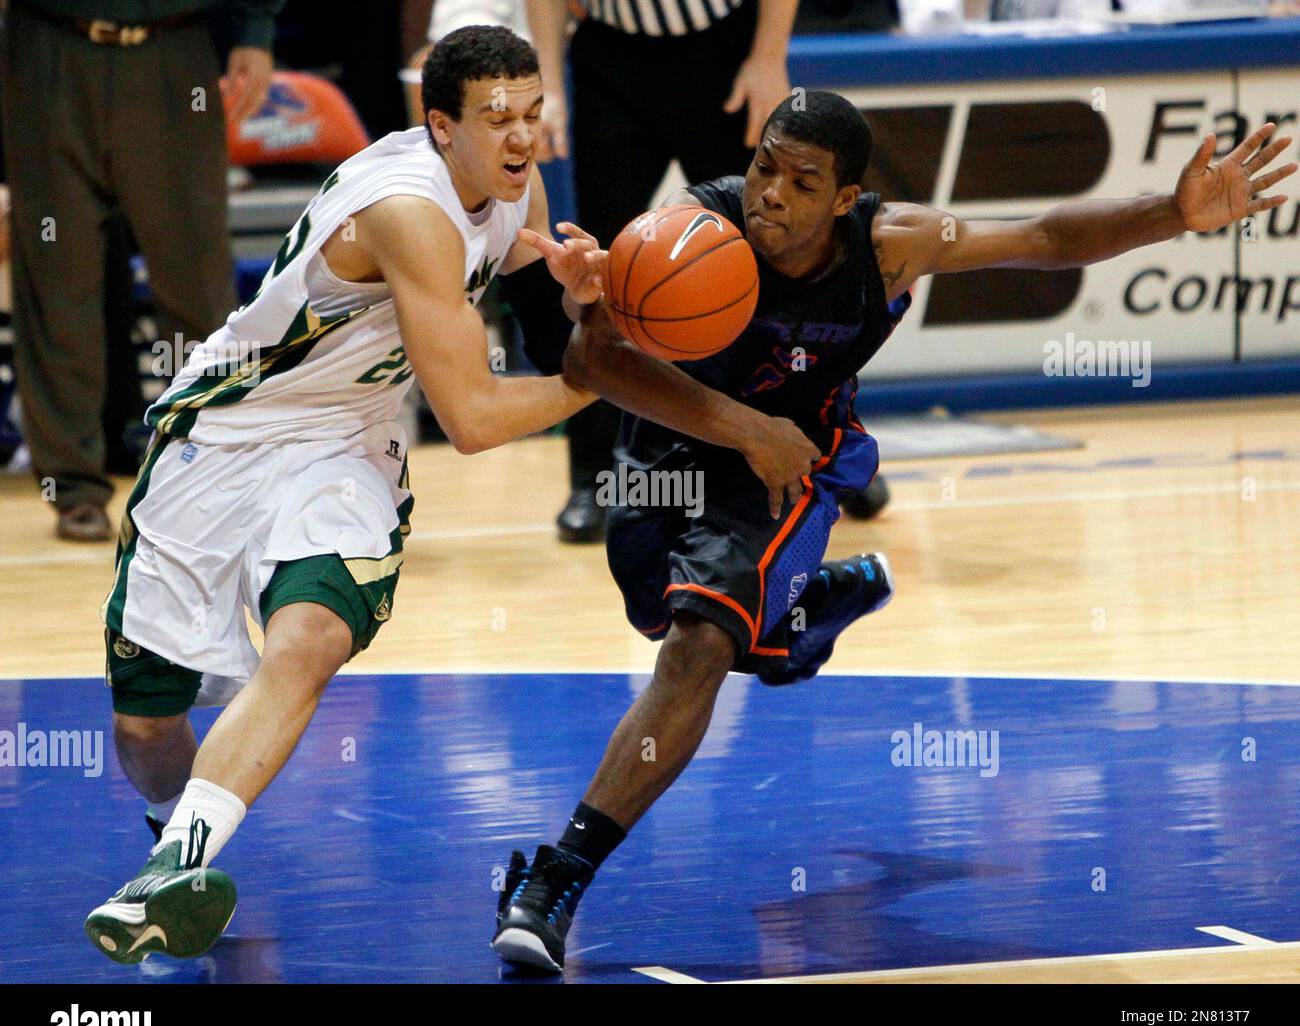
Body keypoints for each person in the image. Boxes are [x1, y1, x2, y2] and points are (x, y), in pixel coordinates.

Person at [490, 91, 1296, 972]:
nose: (772, 194)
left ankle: (557, 875)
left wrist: (1175, 214)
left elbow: (1046, 238)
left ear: (844, 200)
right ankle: (802, 613)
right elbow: (591, 363)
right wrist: (708, 400)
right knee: (671, 612)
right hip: (682, 447)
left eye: (803, 182)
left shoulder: (892, 245)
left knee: (696, 646)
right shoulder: (683, 229)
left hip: (795, 464)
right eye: (765, 166)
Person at [84, 24, 816, 966]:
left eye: (532, 112)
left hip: (345, 445)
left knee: (308, 640)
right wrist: (614, 377)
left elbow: (514, 251)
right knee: (146, 723)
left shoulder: (514, 185)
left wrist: (565, 274)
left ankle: (173, 870)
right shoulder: (407, 212)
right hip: (226, 433)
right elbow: (472, 418)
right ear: (439, 126)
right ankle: (169, 830)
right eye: (496, 118)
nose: (522, 137)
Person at [526, 0, 810, 543]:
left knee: (772, 251)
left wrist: (769, 56)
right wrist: (549, 83)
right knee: (600, 269)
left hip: (723, 47)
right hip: (611, 53)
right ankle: (596, 477)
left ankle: (813, 447)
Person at [0, 0, 280, 541]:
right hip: (46, 41)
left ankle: (208, 471)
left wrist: (257, 29)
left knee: (197, 279)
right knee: (57, 273)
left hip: (173, 43)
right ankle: (73, 486)